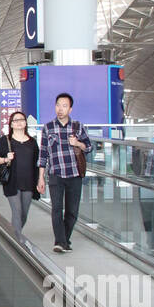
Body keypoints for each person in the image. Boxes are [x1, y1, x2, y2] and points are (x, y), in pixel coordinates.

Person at [37, 92, 91, 253]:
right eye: (58, 105)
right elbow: (43, 153)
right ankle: (60, 241)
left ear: (70, 109)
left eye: (64, 106)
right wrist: (41, 177)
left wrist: (78, 143)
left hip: (74, 175)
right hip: (55, 174)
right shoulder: (48, 127)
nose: (60, 109)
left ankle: (65, 239)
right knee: (56, 209)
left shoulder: (77, 126)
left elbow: (89, 147)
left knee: (72, 211)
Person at [0, 111, 39, 243]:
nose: (19, 122)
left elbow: (36, 163)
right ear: (11, 124)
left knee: (24, 214)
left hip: (29, 182)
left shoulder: (32, 142)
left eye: (22, 120)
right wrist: (6, 158)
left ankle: (12, 233)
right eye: (15, 120)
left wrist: (39, 180)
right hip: (11, 182)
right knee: (17, 212)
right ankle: (18, 242)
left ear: (25, 123)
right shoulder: (5, 140)